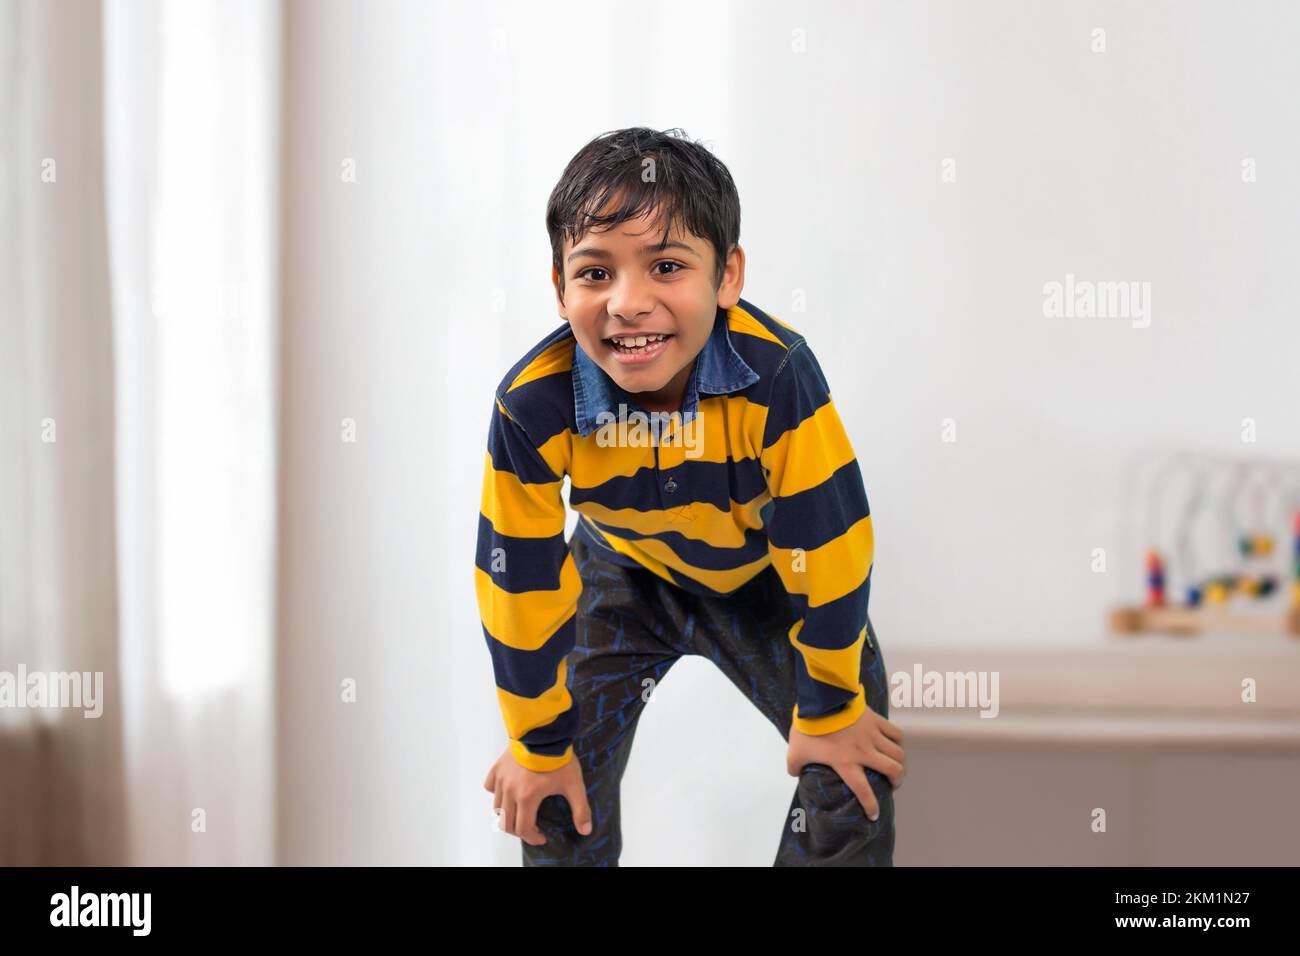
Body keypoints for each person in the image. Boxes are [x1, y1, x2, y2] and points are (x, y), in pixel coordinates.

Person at [475, 127, 904, 865]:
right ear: (559, 288)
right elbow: (519, 574)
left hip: (763, 578)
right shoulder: (533, 403)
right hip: (621, 572)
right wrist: (537, 742)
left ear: (727, 277)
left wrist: (830, 705)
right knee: (549, 786)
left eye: (666, 266)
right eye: (595, 274)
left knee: (850, 763)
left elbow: (826, 542)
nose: (628, 303)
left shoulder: (776, 376)